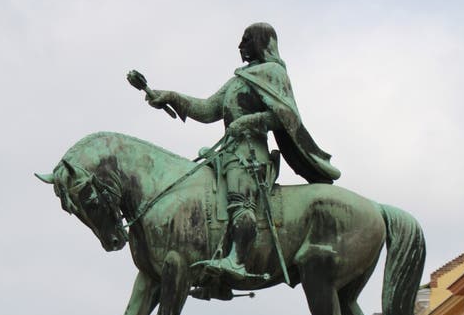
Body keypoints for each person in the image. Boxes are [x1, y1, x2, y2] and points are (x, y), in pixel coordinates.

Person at [143, 22, 340, 282]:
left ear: (260, 42)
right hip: (227, 153)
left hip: (250, 155)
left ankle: (237, 260)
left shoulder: (273, 73)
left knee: (240, 202)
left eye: (246, 40)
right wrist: (171, 96)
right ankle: (213, 272)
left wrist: (249, 121)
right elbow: (206, 109)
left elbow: (287, 117)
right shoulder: (239, 79)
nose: (240, 46)